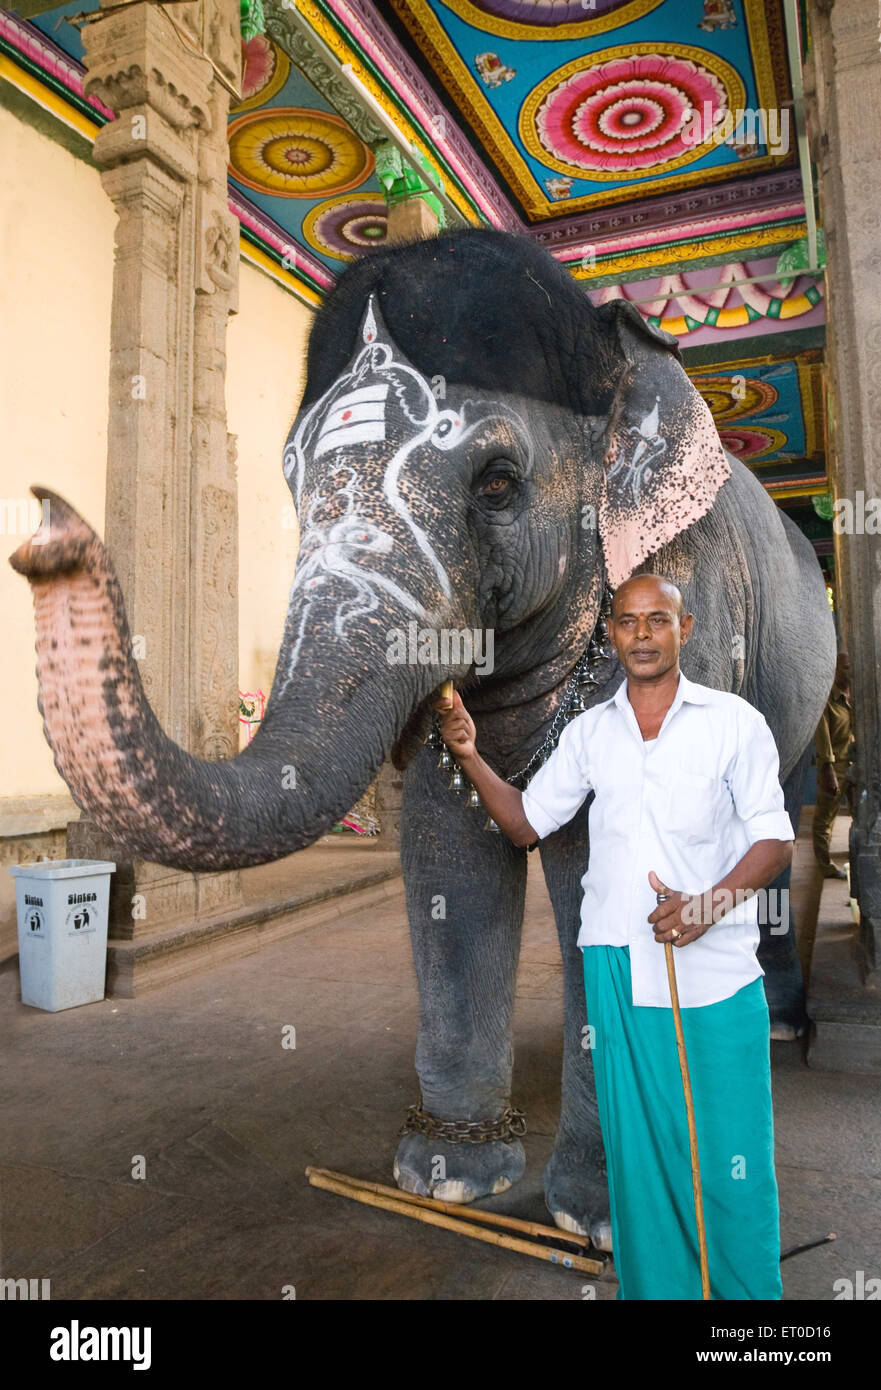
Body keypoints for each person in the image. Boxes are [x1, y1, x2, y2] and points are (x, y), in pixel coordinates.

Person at [434, 573, 794, 1300]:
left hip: (716, 974)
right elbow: (527, 823)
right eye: (626, 622)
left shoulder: (732, 722)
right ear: (611, 635)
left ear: (684, 629)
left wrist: (707, 905)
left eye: (655, 620)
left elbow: (774, 840)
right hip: (617, 967)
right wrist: (471, 754)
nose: (640, 634)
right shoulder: (590, 733)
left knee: (730, 1155)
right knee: (639, 1159)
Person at [812, 652, 854, 879]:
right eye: (845, 668)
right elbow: (823, 737)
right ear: (836, 669)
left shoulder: (855, 696)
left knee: (862, 810)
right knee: (825, 819)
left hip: (855, 763)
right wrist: (828, 768)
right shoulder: (828, 699)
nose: (849, 672)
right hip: (835, 766)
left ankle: (854, 854)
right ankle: (826, 866)